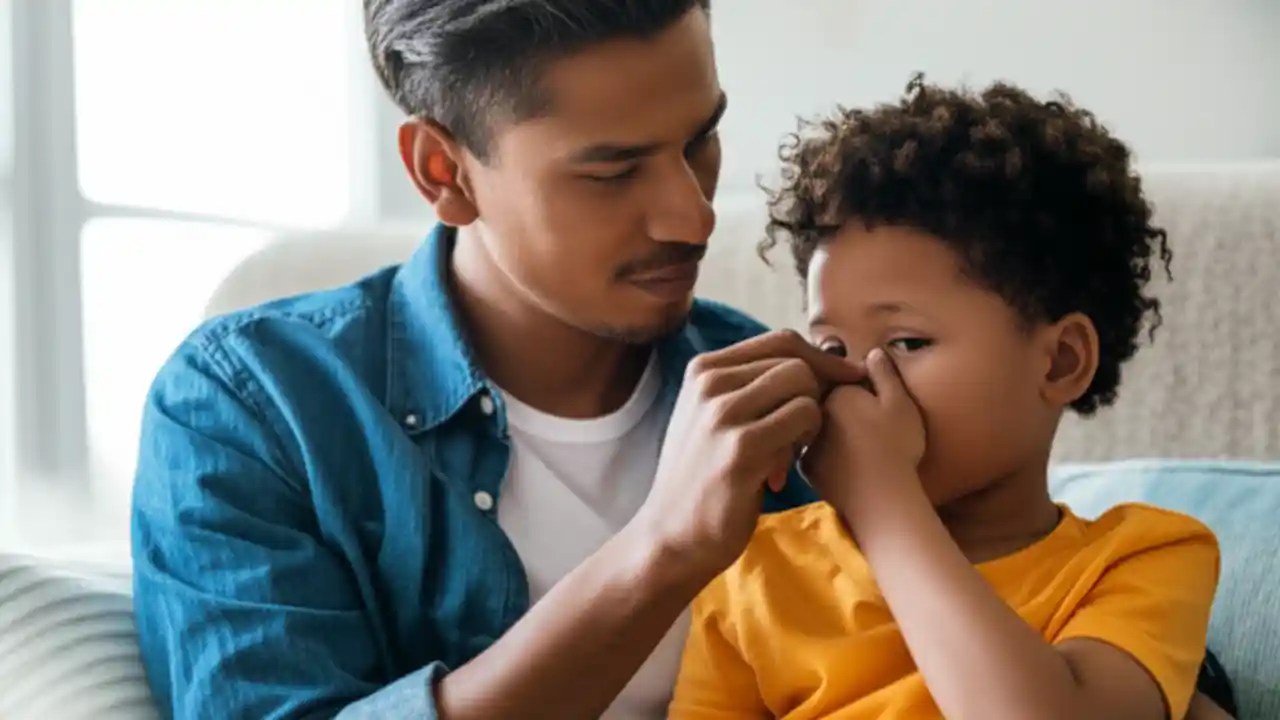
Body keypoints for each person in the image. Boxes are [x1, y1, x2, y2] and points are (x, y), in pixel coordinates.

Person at [130, 2, 860, 718]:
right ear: (442, 171)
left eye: (701, 139)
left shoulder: (792, 400)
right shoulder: (251, 407)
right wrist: (662, 550)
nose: (693, 215)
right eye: (612, 173)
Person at [669, 77, 1233, 720]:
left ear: (1061, 360)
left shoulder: (1142, 559)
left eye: (907, 341)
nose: (857, 380)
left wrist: (883, 498)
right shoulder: (757, 574)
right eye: (830, 347)